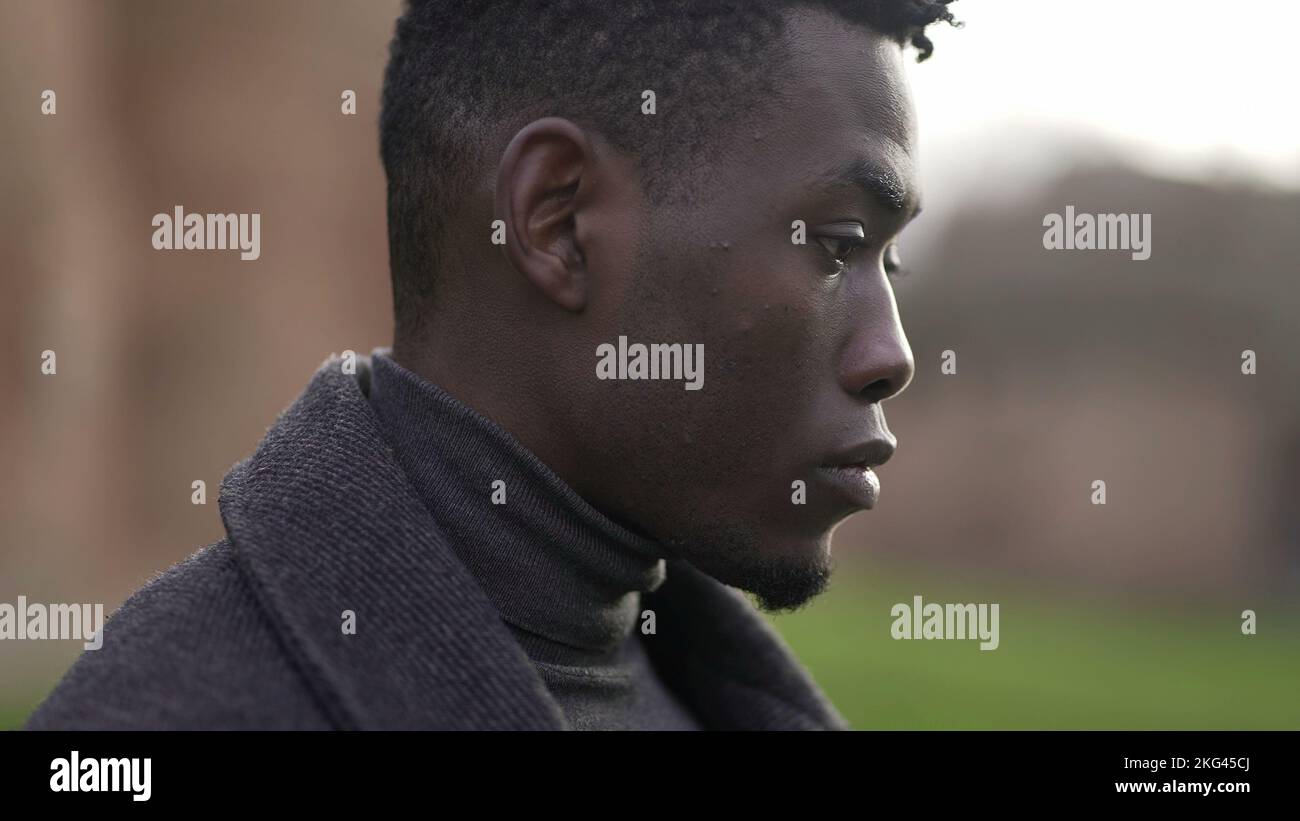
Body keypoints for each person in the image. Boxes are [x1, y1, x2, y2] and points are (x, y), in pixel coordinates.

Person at [26, 0, 954, 731]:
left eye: (890, 261)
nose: (893, 356)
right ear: (557, 223)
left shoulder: (705, 687)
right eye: (837, 244)